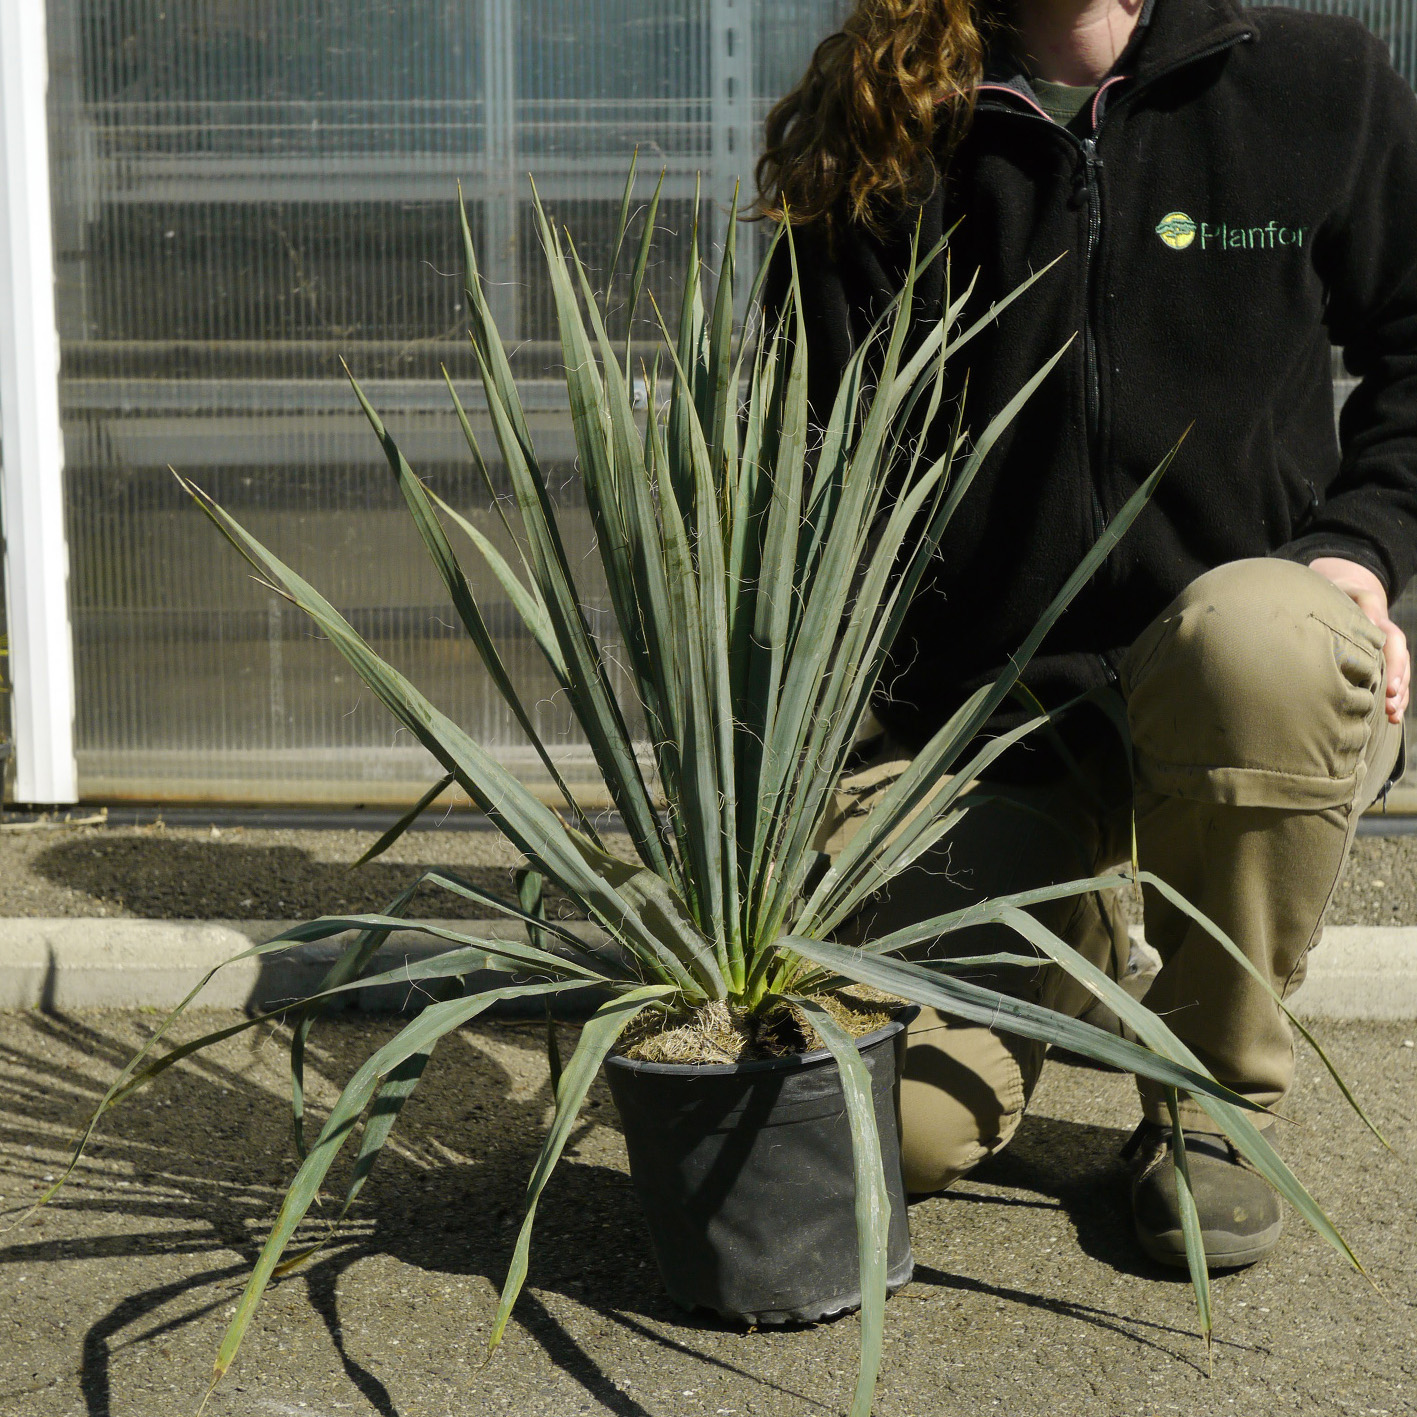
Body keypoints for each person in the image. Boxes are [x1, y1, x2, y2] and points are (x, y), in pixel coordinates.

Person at [756, 0, 1417, 1270]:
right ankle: (1078, 933)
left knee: (1267, 641)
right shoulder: (886, 113)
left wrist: (1363, 544)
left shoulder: (1311, 82)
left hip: (1238, 675)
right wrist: (829, 757)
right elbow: (810, 451)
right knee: (896, 1130)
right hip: (990, 726)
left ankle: (1206, 1098)